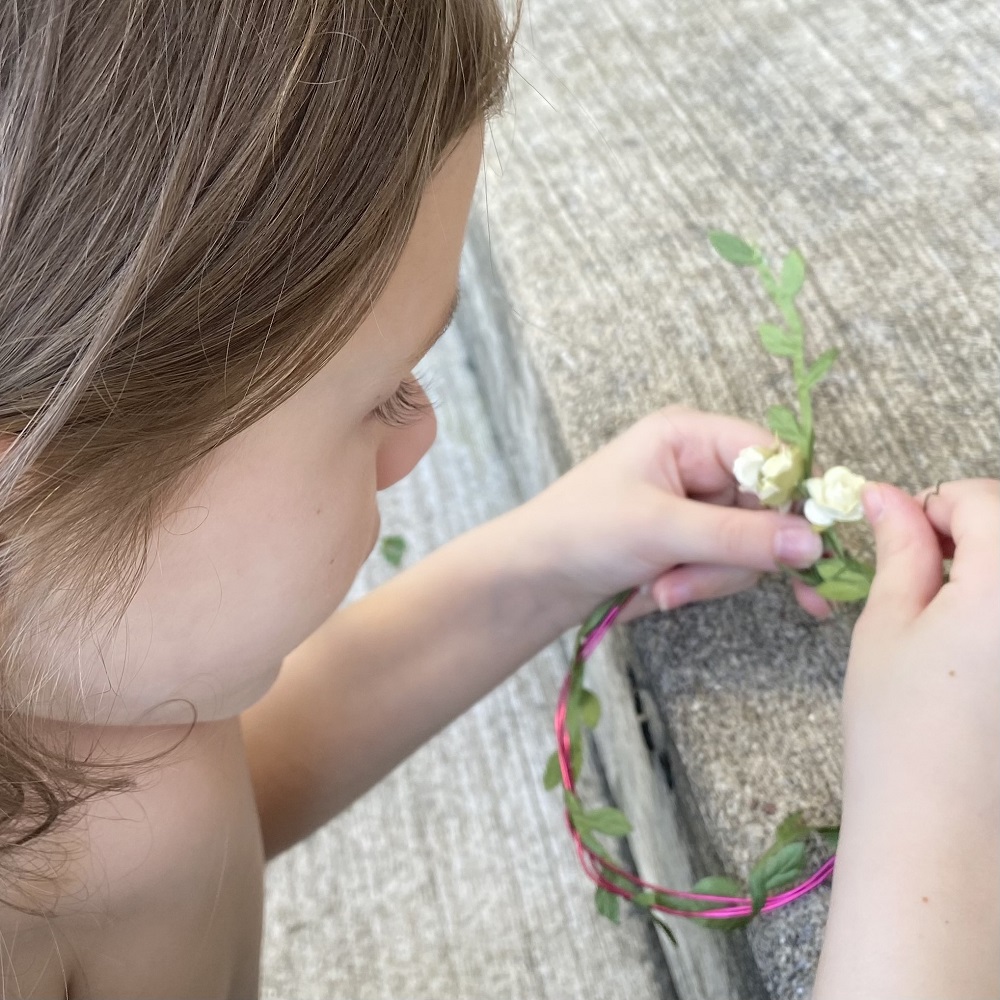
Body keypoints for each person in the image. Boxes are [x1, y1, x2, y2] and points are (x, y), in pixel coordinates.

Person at [0, 3, 995, 998]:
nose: (420, 432)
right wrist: (932, 830)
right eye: (382, 389)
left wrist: (549, 558)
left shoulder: (79, 705)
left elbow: (201, 805)